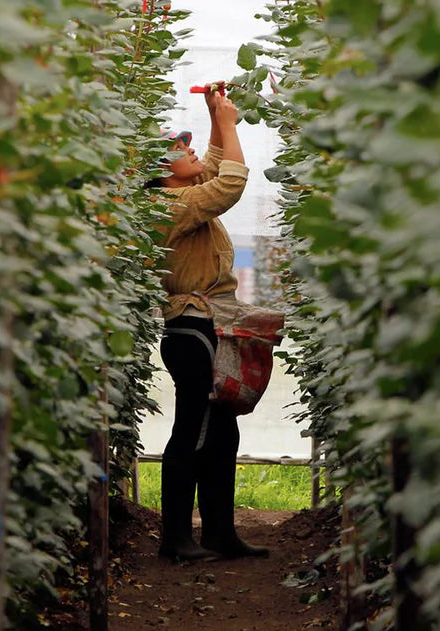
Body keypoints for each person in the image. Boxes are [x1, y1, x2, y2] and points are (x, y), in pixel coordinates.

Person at [151, 85, 270, 561]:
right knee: (194, 430)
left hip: (208, 326)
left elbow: (216, 171)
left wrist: (217, 117)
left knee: (222, 432)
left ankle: (220, 534)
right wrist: (226, 121)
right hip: (191, 331)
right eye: (181, 150)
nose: (192, 149)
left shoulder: (185, 196)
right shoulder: (167, 207)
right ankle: (176, 539)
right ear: (161, 172)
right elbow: (230, 184)